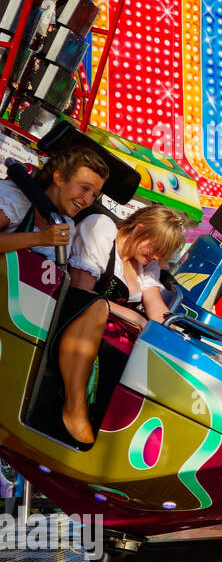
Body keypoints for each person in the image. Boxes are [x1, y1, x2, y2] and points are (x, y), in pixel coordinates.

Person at [0, 148, 111, 444]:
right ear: (59, 177)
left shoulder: (67, 224)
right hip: (6, 305)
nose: (87, 201)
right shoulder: (15, 197)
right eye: (84, 189)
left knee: (97, 309)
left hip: (28, 313)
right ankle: (72, 410)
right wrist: (38, 238)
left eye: (94, 195)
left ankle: (74, 408)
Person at [69, 204, 188, 349]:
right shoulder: (102, 230)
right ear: (139, 230)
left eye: (162, 253)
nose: (157, 257)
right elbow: (80, 292)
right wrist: (136, 319)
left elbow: (155, 307)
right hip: (79, 328)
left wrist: (176, 338)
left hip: (116, 336)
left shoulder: (146, 262)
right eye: (156, 249)